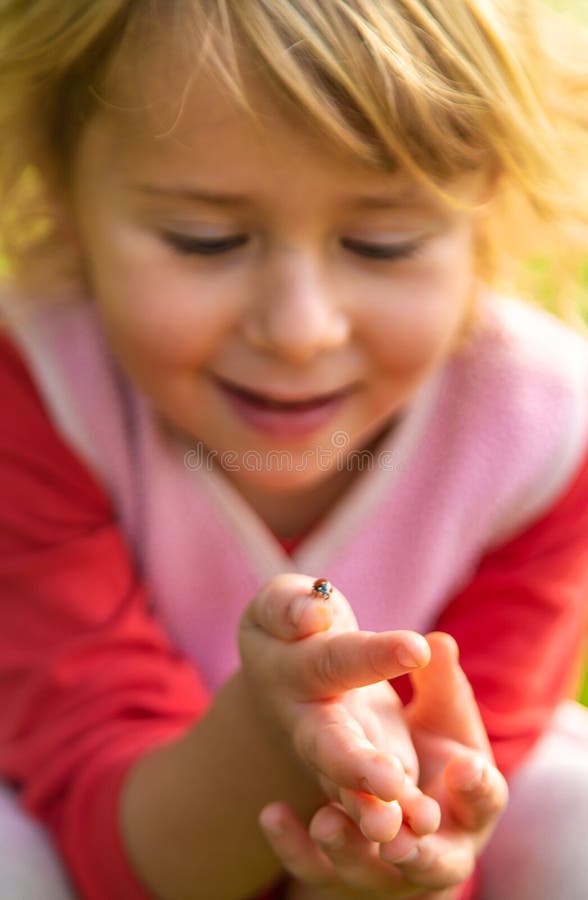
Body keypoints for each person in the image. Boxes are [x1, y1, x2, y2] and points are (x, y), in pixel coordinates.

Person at [0, 0, 587, 898]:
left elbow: (470, 782)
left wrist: (401, 839)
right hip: (114, 819)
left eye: (382, 244)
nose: (300, 329)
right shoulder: (36, 394)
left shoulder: (543, 433)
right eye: (207, 240)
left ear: (486, 205)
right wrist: (270, 741)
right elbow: (105, 830)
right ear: (63, 197)